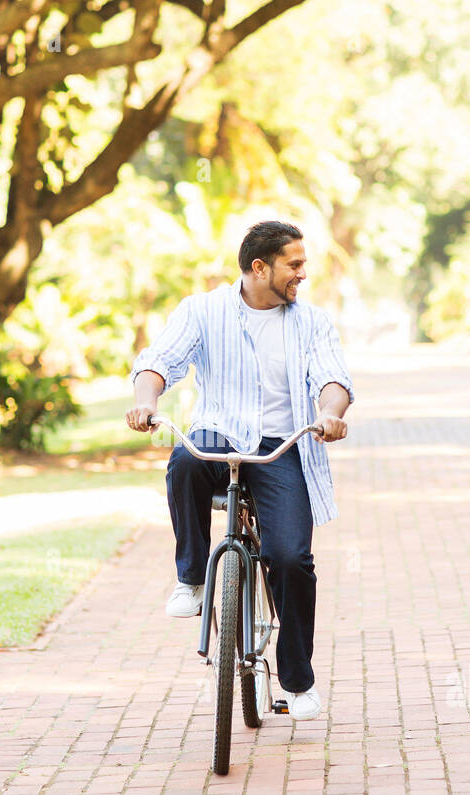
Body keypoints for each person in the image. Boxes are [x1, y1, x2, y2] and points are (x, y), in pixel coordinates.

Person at [125, 221, 354, 720]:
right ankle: (192, 579)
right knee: (184, 460)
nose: (302, 274)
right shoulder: (203, 311)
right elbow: (158, 360)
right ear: (259, 267)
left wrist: (331, 412)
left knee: (291, 559)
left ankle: (296, 682)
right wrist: (146, 402)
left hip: (283, 443)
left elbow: (333, 377)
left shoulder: (310, 322)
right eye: (294, 265)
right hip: (219, 431)